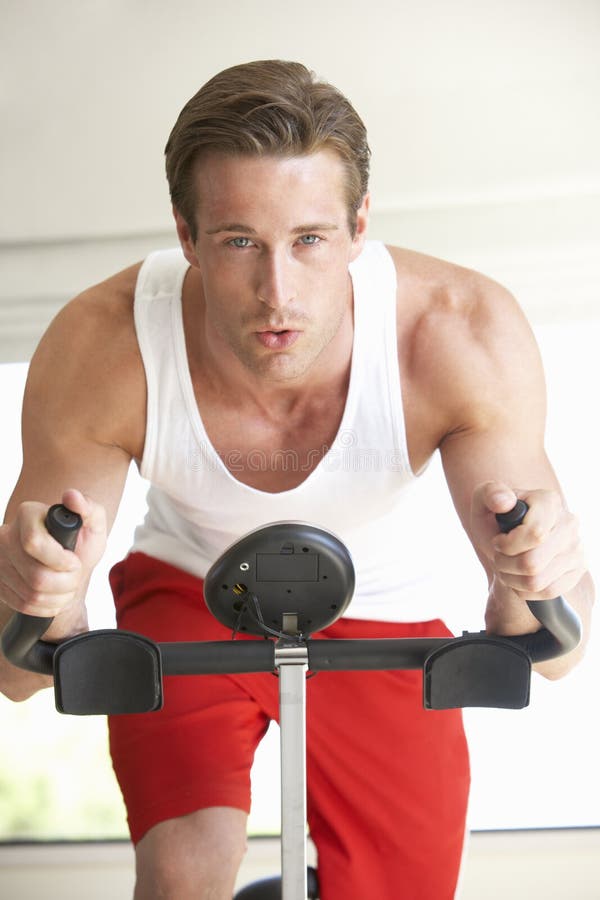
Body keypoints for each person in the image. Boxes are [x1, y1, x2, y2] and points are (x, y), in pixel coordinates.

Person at [0, 59, 594, 900]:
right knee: (183, 876)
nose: (277, 293)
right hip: (190, 593)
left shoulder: (456, 333)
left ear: (359, 227)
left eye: (309, 241)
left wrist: (532, 578)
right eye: (239, 242)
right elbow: (22, 669)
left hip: (388, 620)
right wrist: (49, 591)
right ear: (185, 234)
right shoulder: (105, 344)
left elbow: (551, 648)